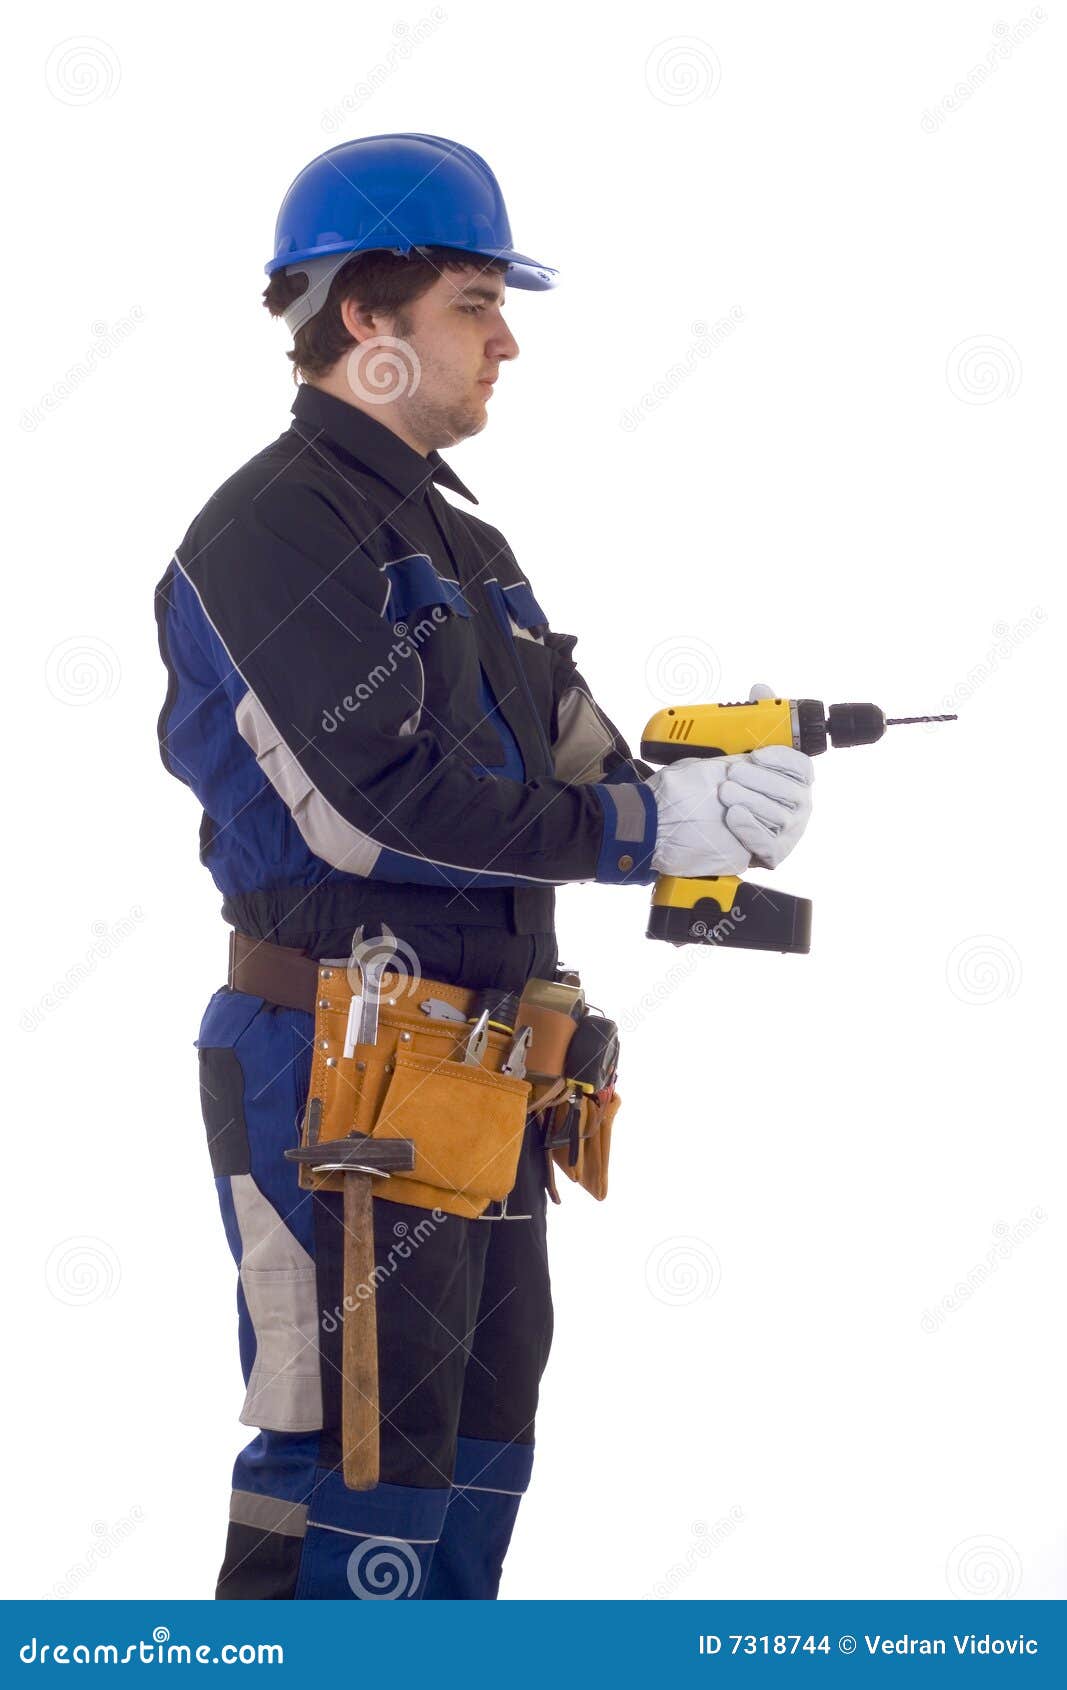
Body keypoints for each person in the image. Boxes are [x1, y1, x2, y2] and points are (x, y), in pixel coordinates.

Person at [153, 132, 814, 1601]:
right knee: (353, 1473)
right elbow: (371, 813)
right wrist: (645, 831)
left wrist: (712, 803)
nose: (507, 340)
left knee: (471, 1460)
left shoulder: (469, 546)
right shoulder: (268, 530)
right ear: (364, 316)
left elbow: (576, 769)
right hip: (335, 1077)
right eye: (475, 303)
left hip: (479, 1087)